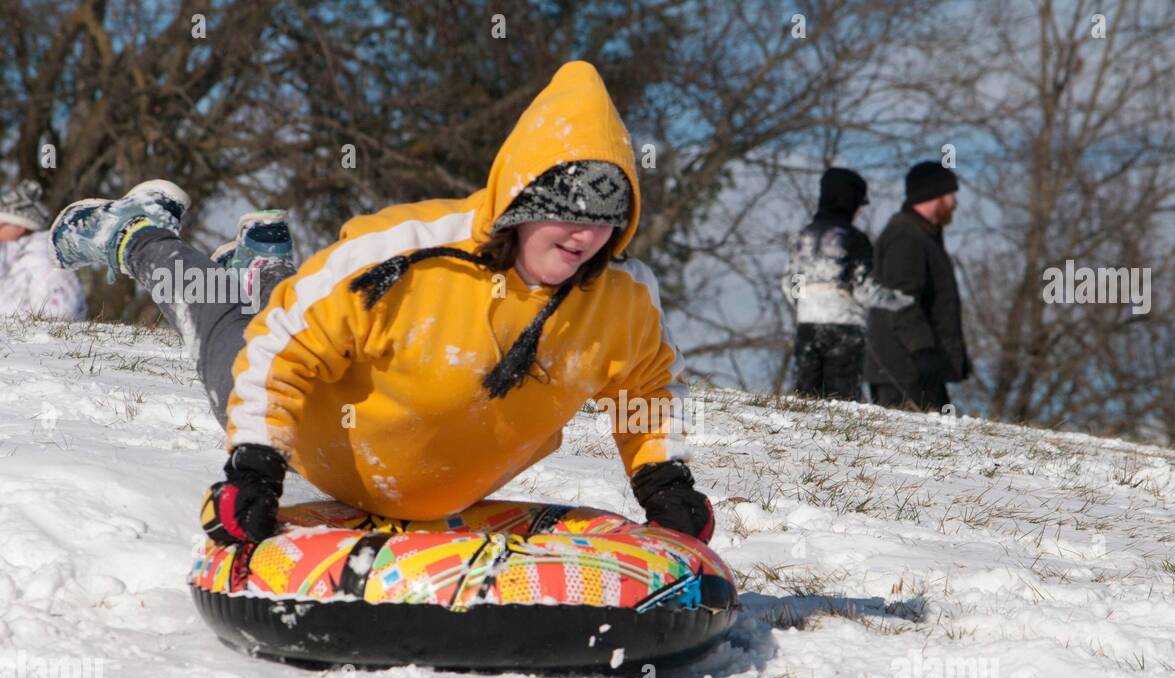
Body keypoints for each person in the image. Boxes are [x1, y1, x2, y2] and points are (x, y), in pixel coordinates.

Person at [50, 60, 713, 546]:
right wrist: (255, 466)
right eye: (563, 209)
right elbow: (284, 344)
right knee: (219, 317)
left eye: (604, 217)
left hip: (423, 485)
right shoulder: (410, 253)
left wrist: (663, 482)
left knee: (285, 301)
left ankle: (262, 266)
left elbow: (646, 387)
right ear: (518, 201)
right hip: (312, 437)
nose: (583, 235)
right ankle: (139, 234)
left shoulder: (619, 298)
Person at [866, 160, 971, 411]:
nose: (955, 203)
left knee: (940, 431)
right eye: (950, 194)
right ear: (933, 195)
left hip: (916, 369)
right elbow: (899, 299)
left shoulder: (922, 235)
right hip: (902, 369)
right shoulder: (906, 236)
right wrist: (923, 351)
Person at [782, 167, 875, 401]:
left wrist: (804, 304)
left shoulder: (802, 237)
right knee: (842, 400)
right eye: (858, 205)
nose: (858, 212)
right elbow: (862, 288)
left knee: (805, 397)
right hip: (845, 326)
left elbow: (790, 283)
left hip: (808, 323)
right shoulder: (855, 239)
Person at [0, 179, 86, 320]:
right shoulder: (14, 259)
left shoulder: (43, 259)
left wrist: (10, 322)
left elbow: (60, 312)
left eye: (1, 224)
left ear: (19, 227)